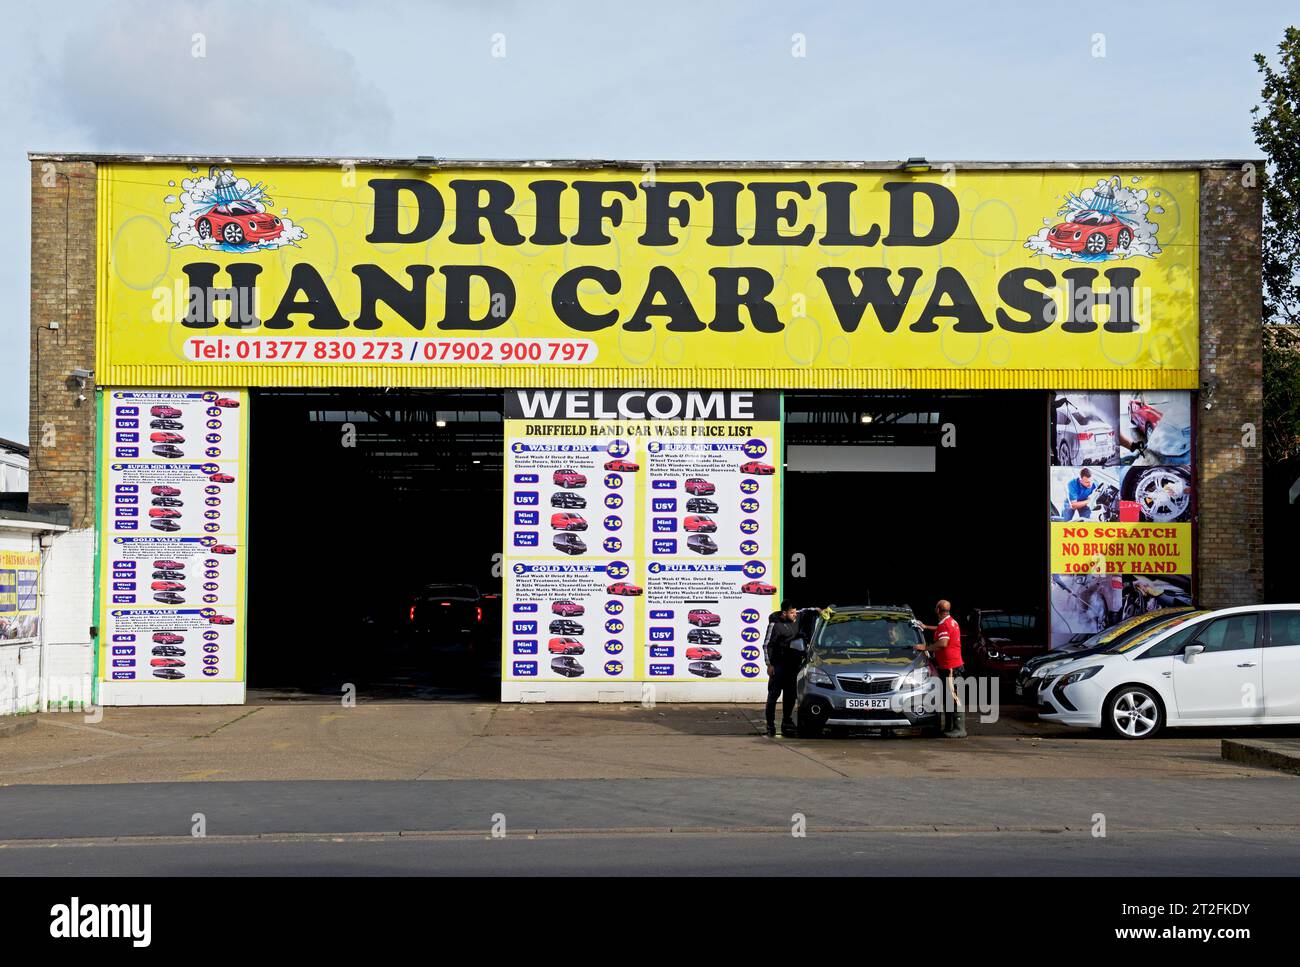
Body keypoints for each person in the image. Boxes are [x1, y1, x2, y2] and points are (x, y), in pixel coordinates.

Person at [915, 600, 966, 738]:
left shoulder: (944, 625)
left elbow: (943, 643)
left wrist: (925, 647)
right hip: (952, 665)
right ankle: (950, 727)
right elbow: (941, 630)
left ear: (937, 610)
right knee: (950, 697)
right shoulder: (950, 622)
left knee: (954, 697)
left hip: (951, 667)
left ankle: (960, 729)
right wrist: (926, 627)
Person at [762, 600, 804, 738]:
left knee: (790, 695)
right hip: (778, 666)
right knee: (773, 696)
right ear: (784, 613)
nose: (795, 615)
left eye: (795, 612)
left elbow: (808, 610)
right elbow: (767, 645)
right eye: (792, 613)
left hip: (792, 666)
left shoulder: (797, 619)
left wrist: (820, 610)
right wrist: (769, 665)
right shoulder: (775, 625)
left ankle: (787, 722)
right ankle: (770, 725)